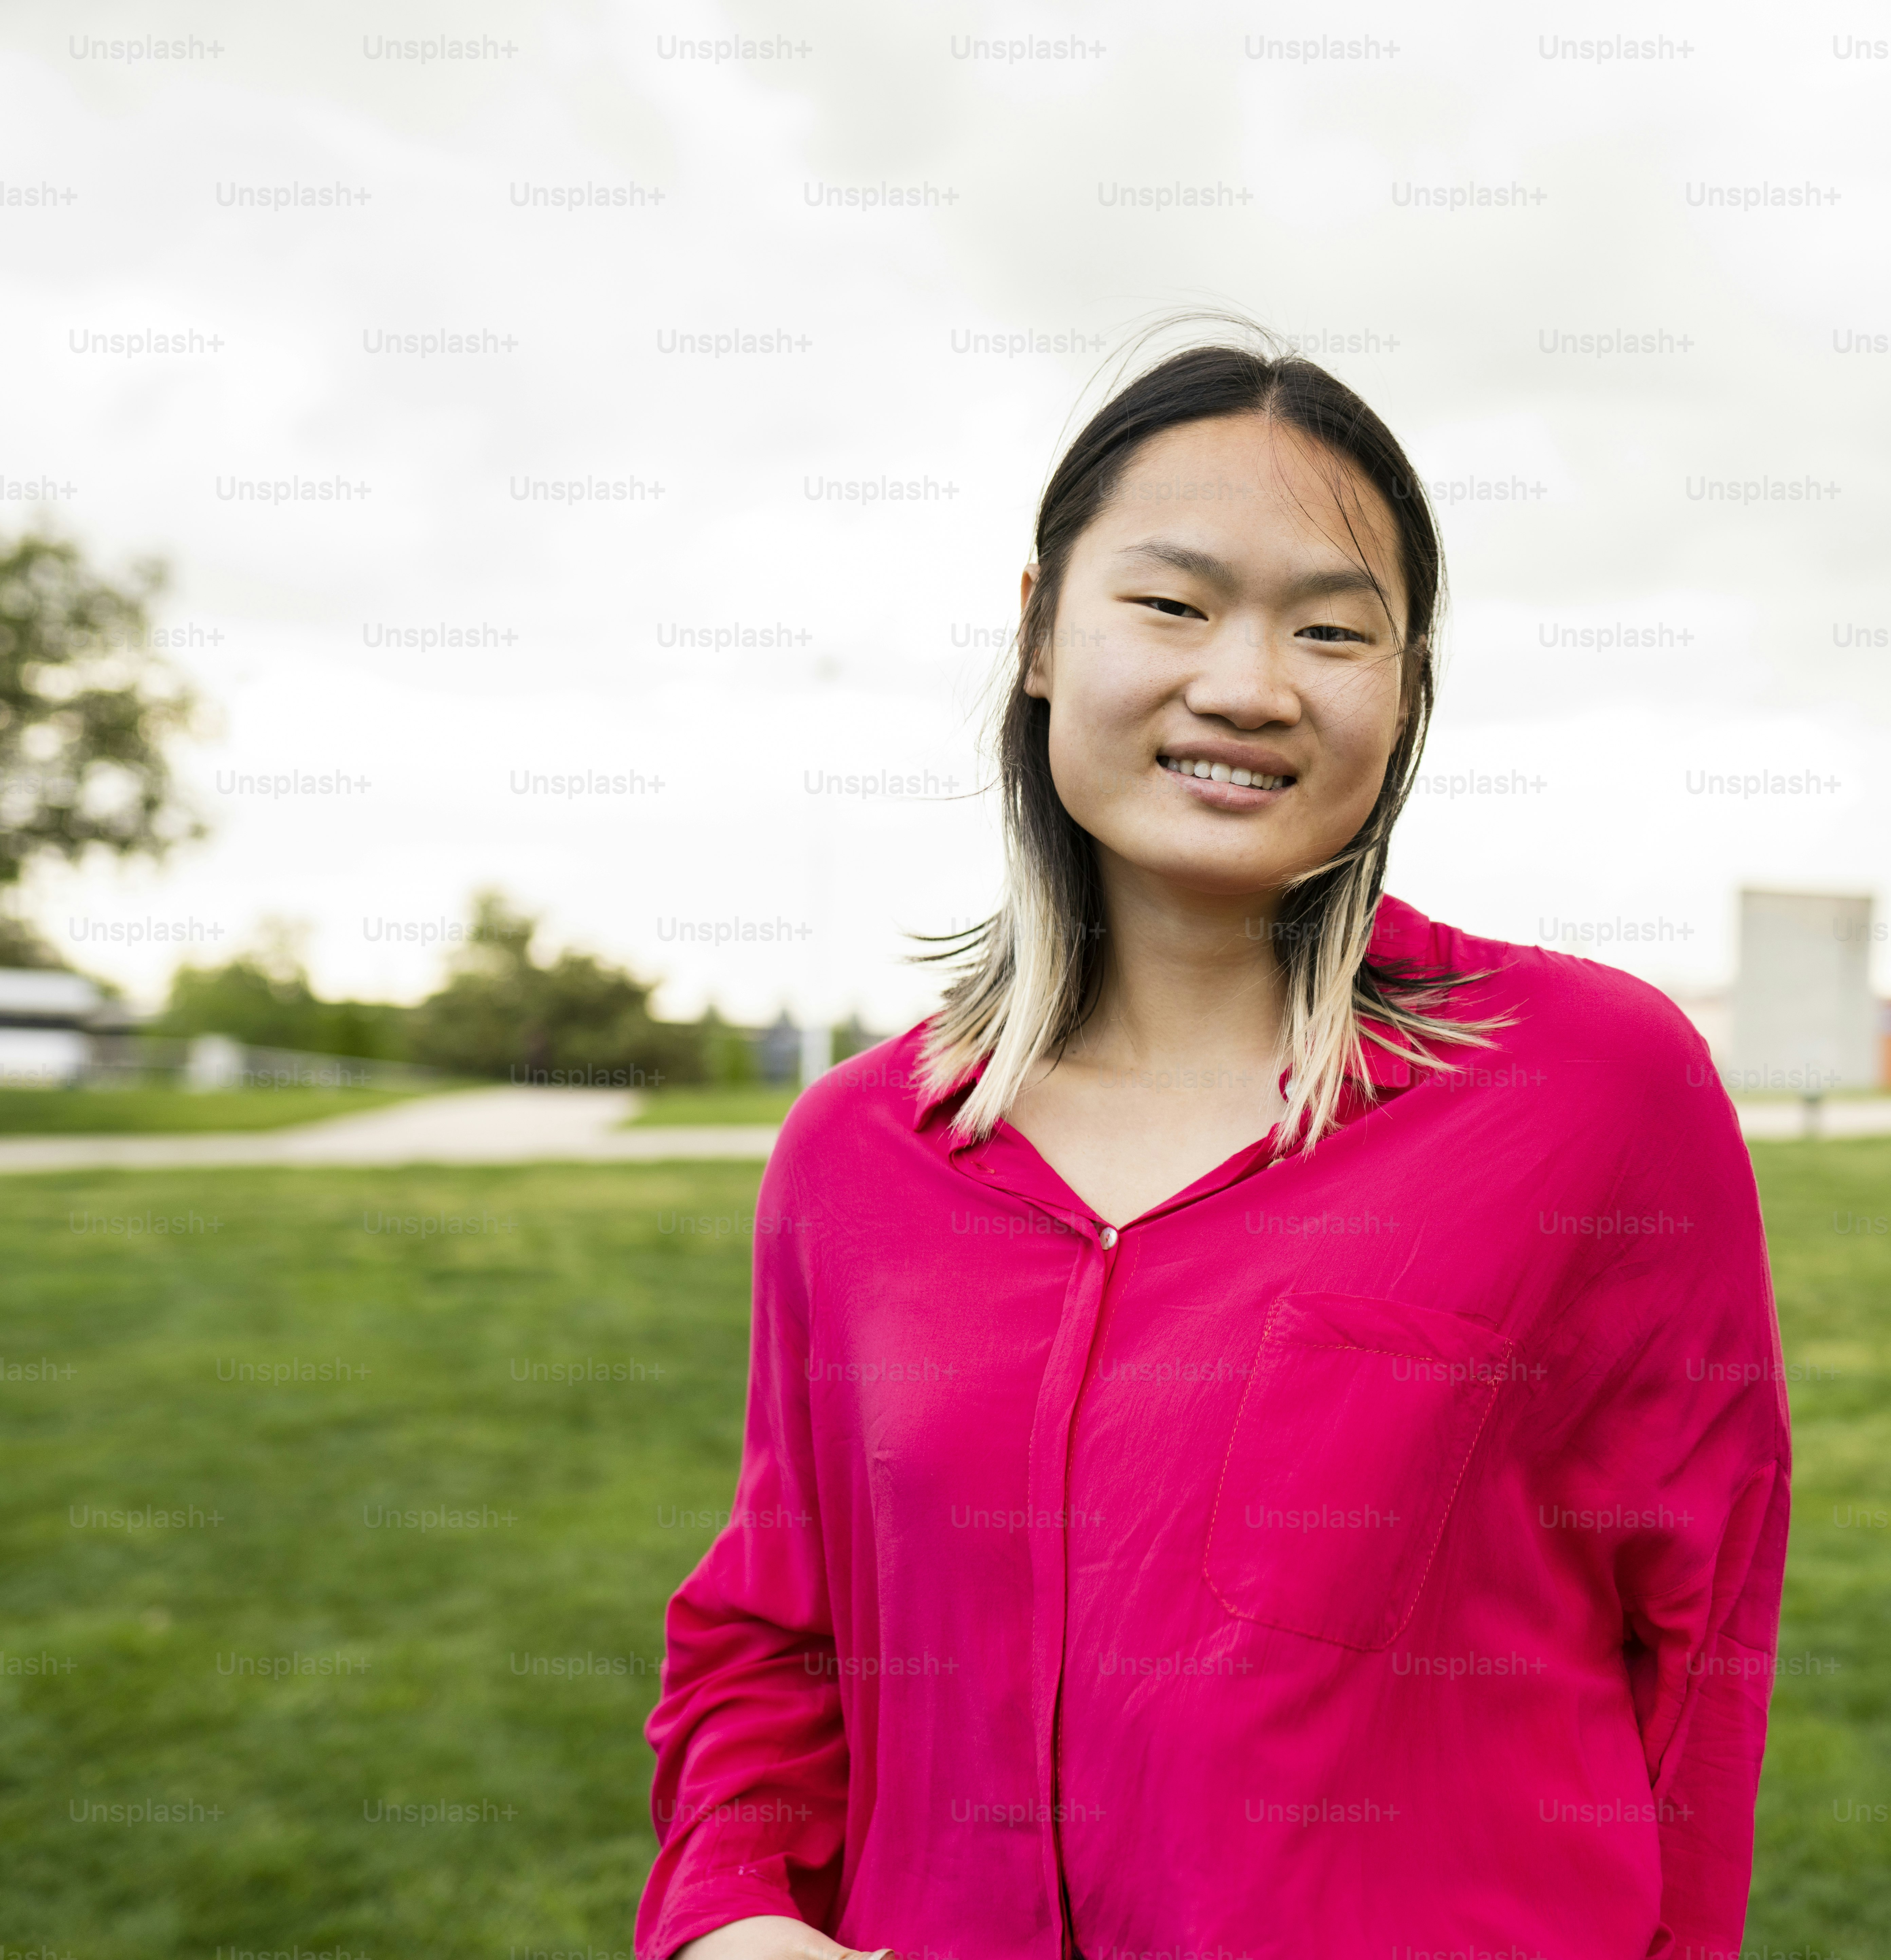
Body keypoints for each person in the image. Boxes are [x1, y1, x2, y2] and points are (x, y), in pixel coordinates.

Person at [638, 338, 1792, 1960]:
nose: (1251, 686)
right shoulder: (853, 1155)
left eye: (1333, 629)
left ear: (1405, 691)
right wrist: (733, 1921)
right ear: (1040, 628)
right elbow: (776, 1635)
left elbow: (1700, 1635)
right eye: (1172, 605)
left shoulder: (1597, 1092)